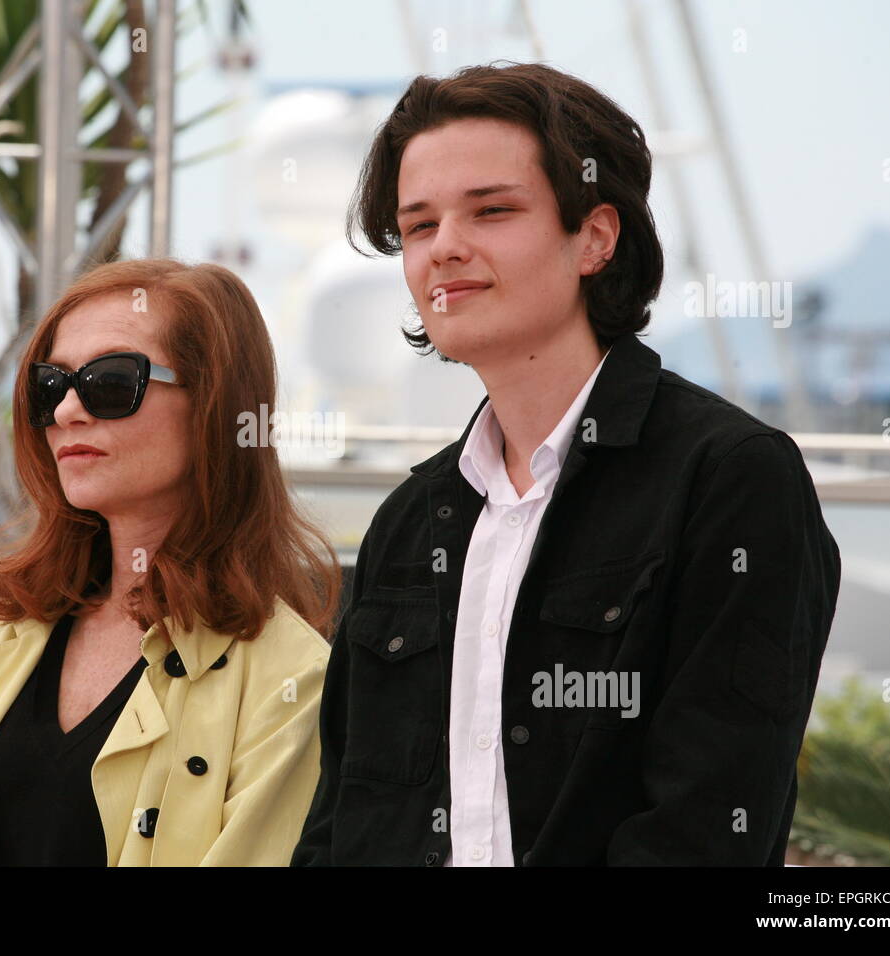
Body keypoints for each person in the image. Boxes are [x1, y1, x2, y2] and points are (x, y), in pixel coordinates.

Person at [292, 62, 841, 866]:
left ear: (595, 237)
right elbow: (342, 822)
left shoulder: (729, 480)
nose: (445, 249)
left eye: (492, 210)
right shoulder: (410, 524)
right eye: (418, 226)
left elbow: (707, 824)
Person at [0, 258, 339, 866]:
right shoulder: (12, 623)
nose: (69, 410)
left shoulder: (291, 679)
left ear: (212, 404)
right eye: (50, 386)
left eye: (110, 383)